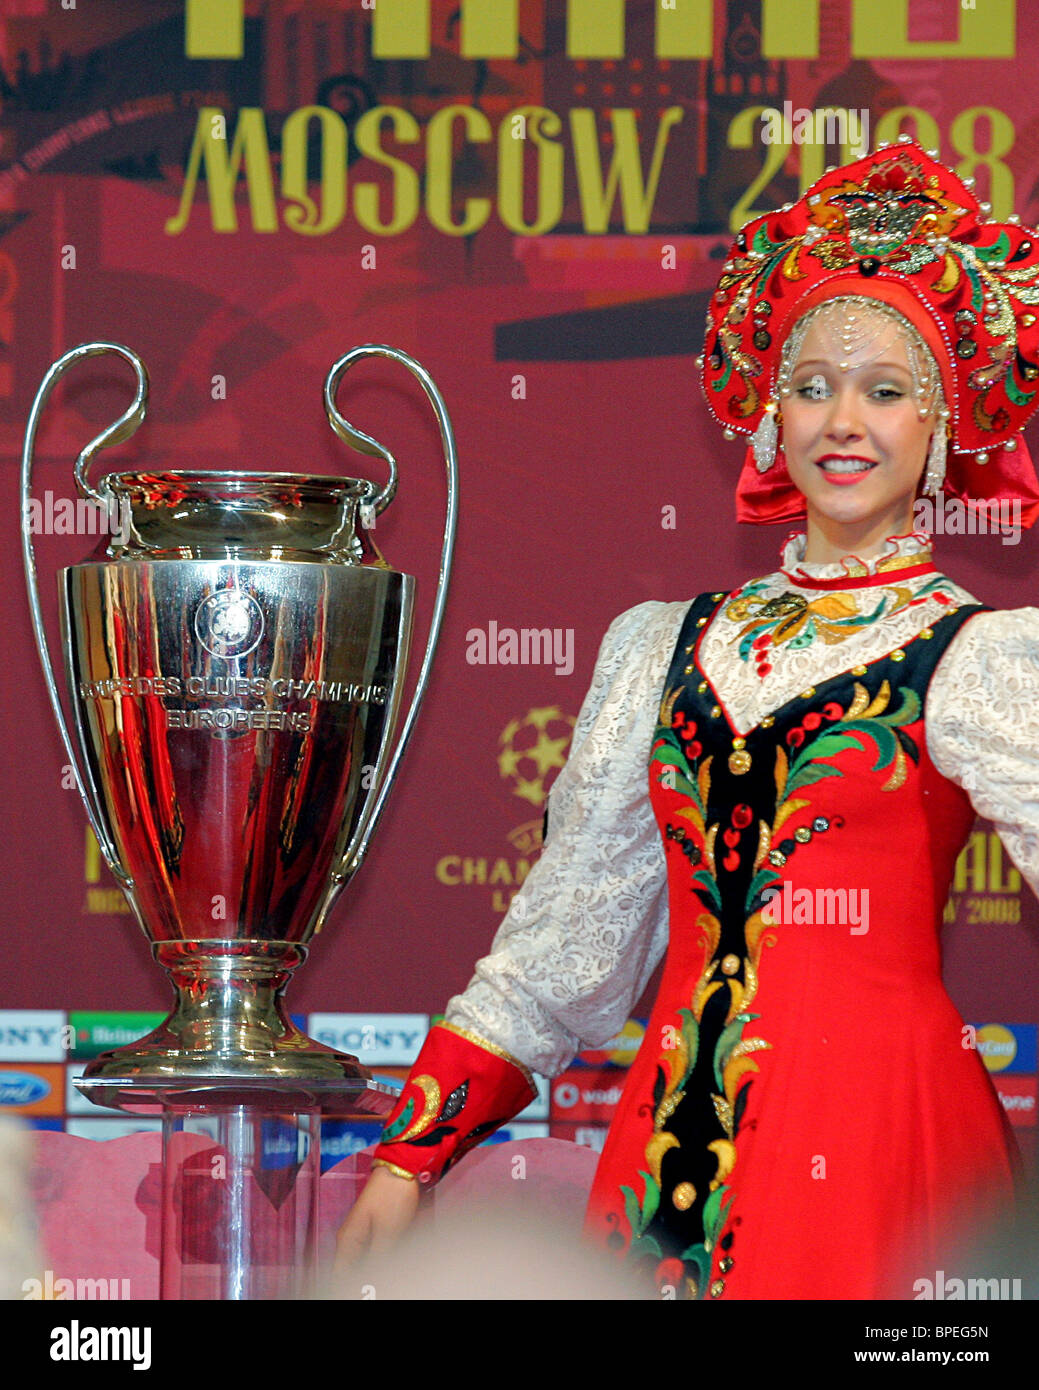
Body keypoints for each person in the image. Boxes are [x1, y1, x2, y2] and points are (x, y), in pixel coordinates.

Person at [336, 138, 1039, 1299]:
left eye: (884, 388)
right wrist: (412, 1152)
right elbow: (565, 942)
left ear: (943, 423)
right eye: (811, 385)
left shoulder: (978, 657)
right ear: (768, 413)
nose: (841, 421)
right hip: (669, 1151)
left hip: (888, 1144)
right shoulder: (659, 642)